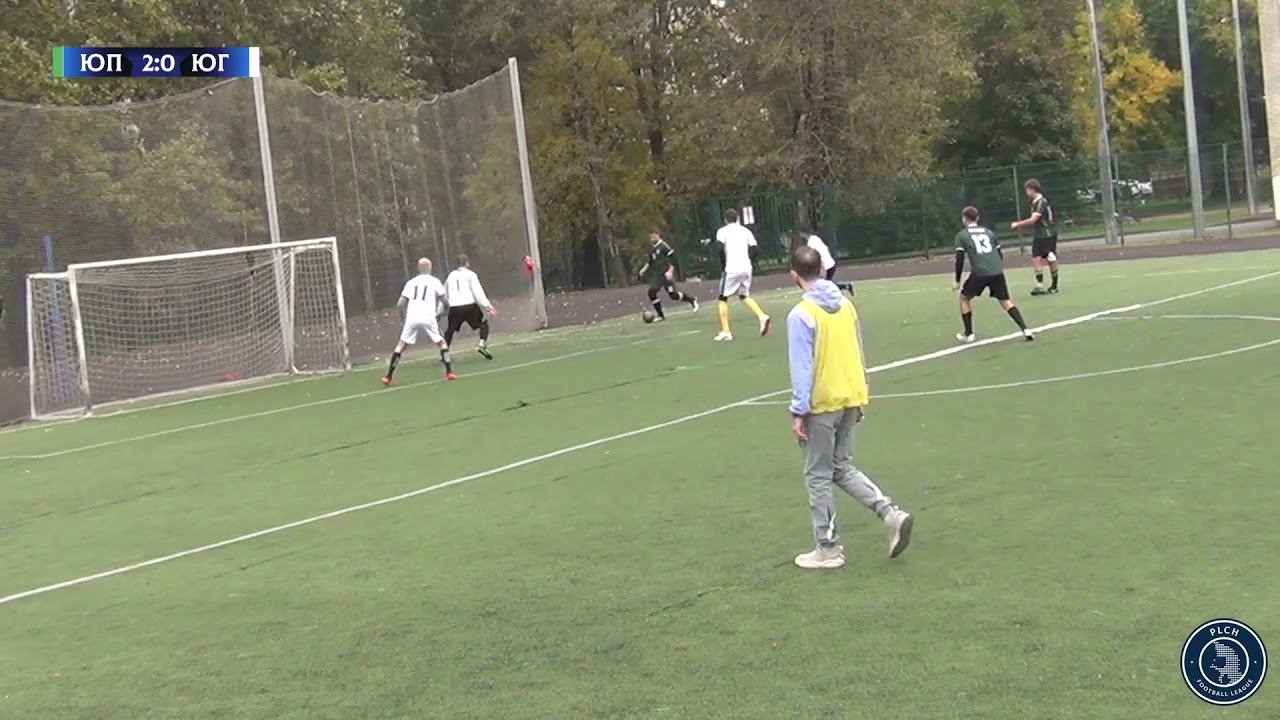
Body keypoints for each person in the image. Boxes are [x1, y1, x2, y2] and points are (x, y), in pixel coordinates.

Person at [786, 244, 913, 570]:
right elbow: (859, 351)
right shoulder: (846, 305)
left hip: (822, 403)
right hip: (851, 395)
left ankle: (827, 548)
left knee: (818, 474)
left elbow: (802, 368)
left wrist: (798, 411)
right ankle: (890, 513)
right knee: (841, 467)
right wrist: (861, 394)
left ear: (794, 275)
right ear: (822, 270)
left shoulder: (801, 314)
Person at [954, 207, 1034, 344]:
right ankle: (1025, 329)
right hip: (997, 271)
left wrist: (957, 280)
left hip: (980, 272)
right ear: (977, 218)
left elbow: (960, 258)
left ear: (964, 219)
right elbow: (999, 253)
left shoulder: (962, 235)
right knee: (1006, 301)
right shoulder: (989, 232)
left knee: (964, 298)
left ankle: (969, 333)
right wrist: (998, 268)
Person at [383, 258, 454, 386]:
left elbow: (400, 303)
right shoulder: (434, 281)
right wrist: (447, 311)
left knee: (401, 344)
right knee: (441, 342)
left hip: (412, 317)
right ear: (430, 268)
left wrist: (402, 317)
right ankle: (449, 372)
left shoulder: (411, 282)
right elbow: (444, 300)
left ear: (418, 268)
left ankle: (388, 376)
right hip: (428, 316)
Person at [713, 208, 771, 342]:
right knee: (744, 296)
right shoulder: (746, 231)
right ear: (738, 218)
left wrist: (724, 265)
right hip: (746, 268)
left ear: (725, 220)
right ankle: (762, 316)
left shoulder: (722, 231)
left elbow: (720, 249)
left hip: (731, 268)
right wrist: (747, 259)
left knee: (722, 298)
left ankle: (726, 331)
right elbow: (756, 250)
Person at [1010, 178, 1060, 295]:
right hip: (1043, 233)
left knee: (1046, 258)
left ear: (1032, 189)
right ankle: (1042, 285)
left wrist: (1018, 224)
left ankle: (1050, 285)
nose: (1027, 193)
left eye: (1027, 190)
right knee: (1040, 257)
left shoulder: (1041, 202)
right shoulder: (1037, 202)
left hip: (1045, 234)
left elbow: (1033, 220)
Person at [444, 254, 498, 360]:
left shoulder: (450, 276)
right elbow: (477, 292)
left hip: (454, 307)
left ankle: (445, 353)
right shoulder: (471, 274)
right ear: (467, 263)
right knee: (483, 323)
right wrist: (487, 306)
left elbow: (444, 293)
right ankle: (482, 344)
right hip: (469, 305)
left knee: (450, 330)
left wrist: (440, 310)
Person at [636, 232, 698, 321]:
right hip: (658, 275)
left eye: (654, 236)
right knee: (651, 292)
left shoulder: (664, 246)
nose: (652, 239)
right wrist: (643, 269)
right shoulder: (653, 249)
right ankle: (660, 315)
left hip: (665, 274)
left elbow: (673, 259)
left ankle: (692, 300)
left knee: (673, 295)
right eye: (651, 237)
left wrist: (670, 271)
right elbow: (650, 261)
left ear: (658, 236)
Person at [798, 223, 854, 296]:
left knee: (823, 285)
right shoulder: (815, 238)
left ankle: (839, 292)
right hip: (830, 263)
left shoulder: (811, 243)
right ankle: (846, 286)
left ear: (803, 233)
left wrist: (821, 267)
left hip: (826, 266)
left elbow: (815, 255)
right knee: (827, 284)